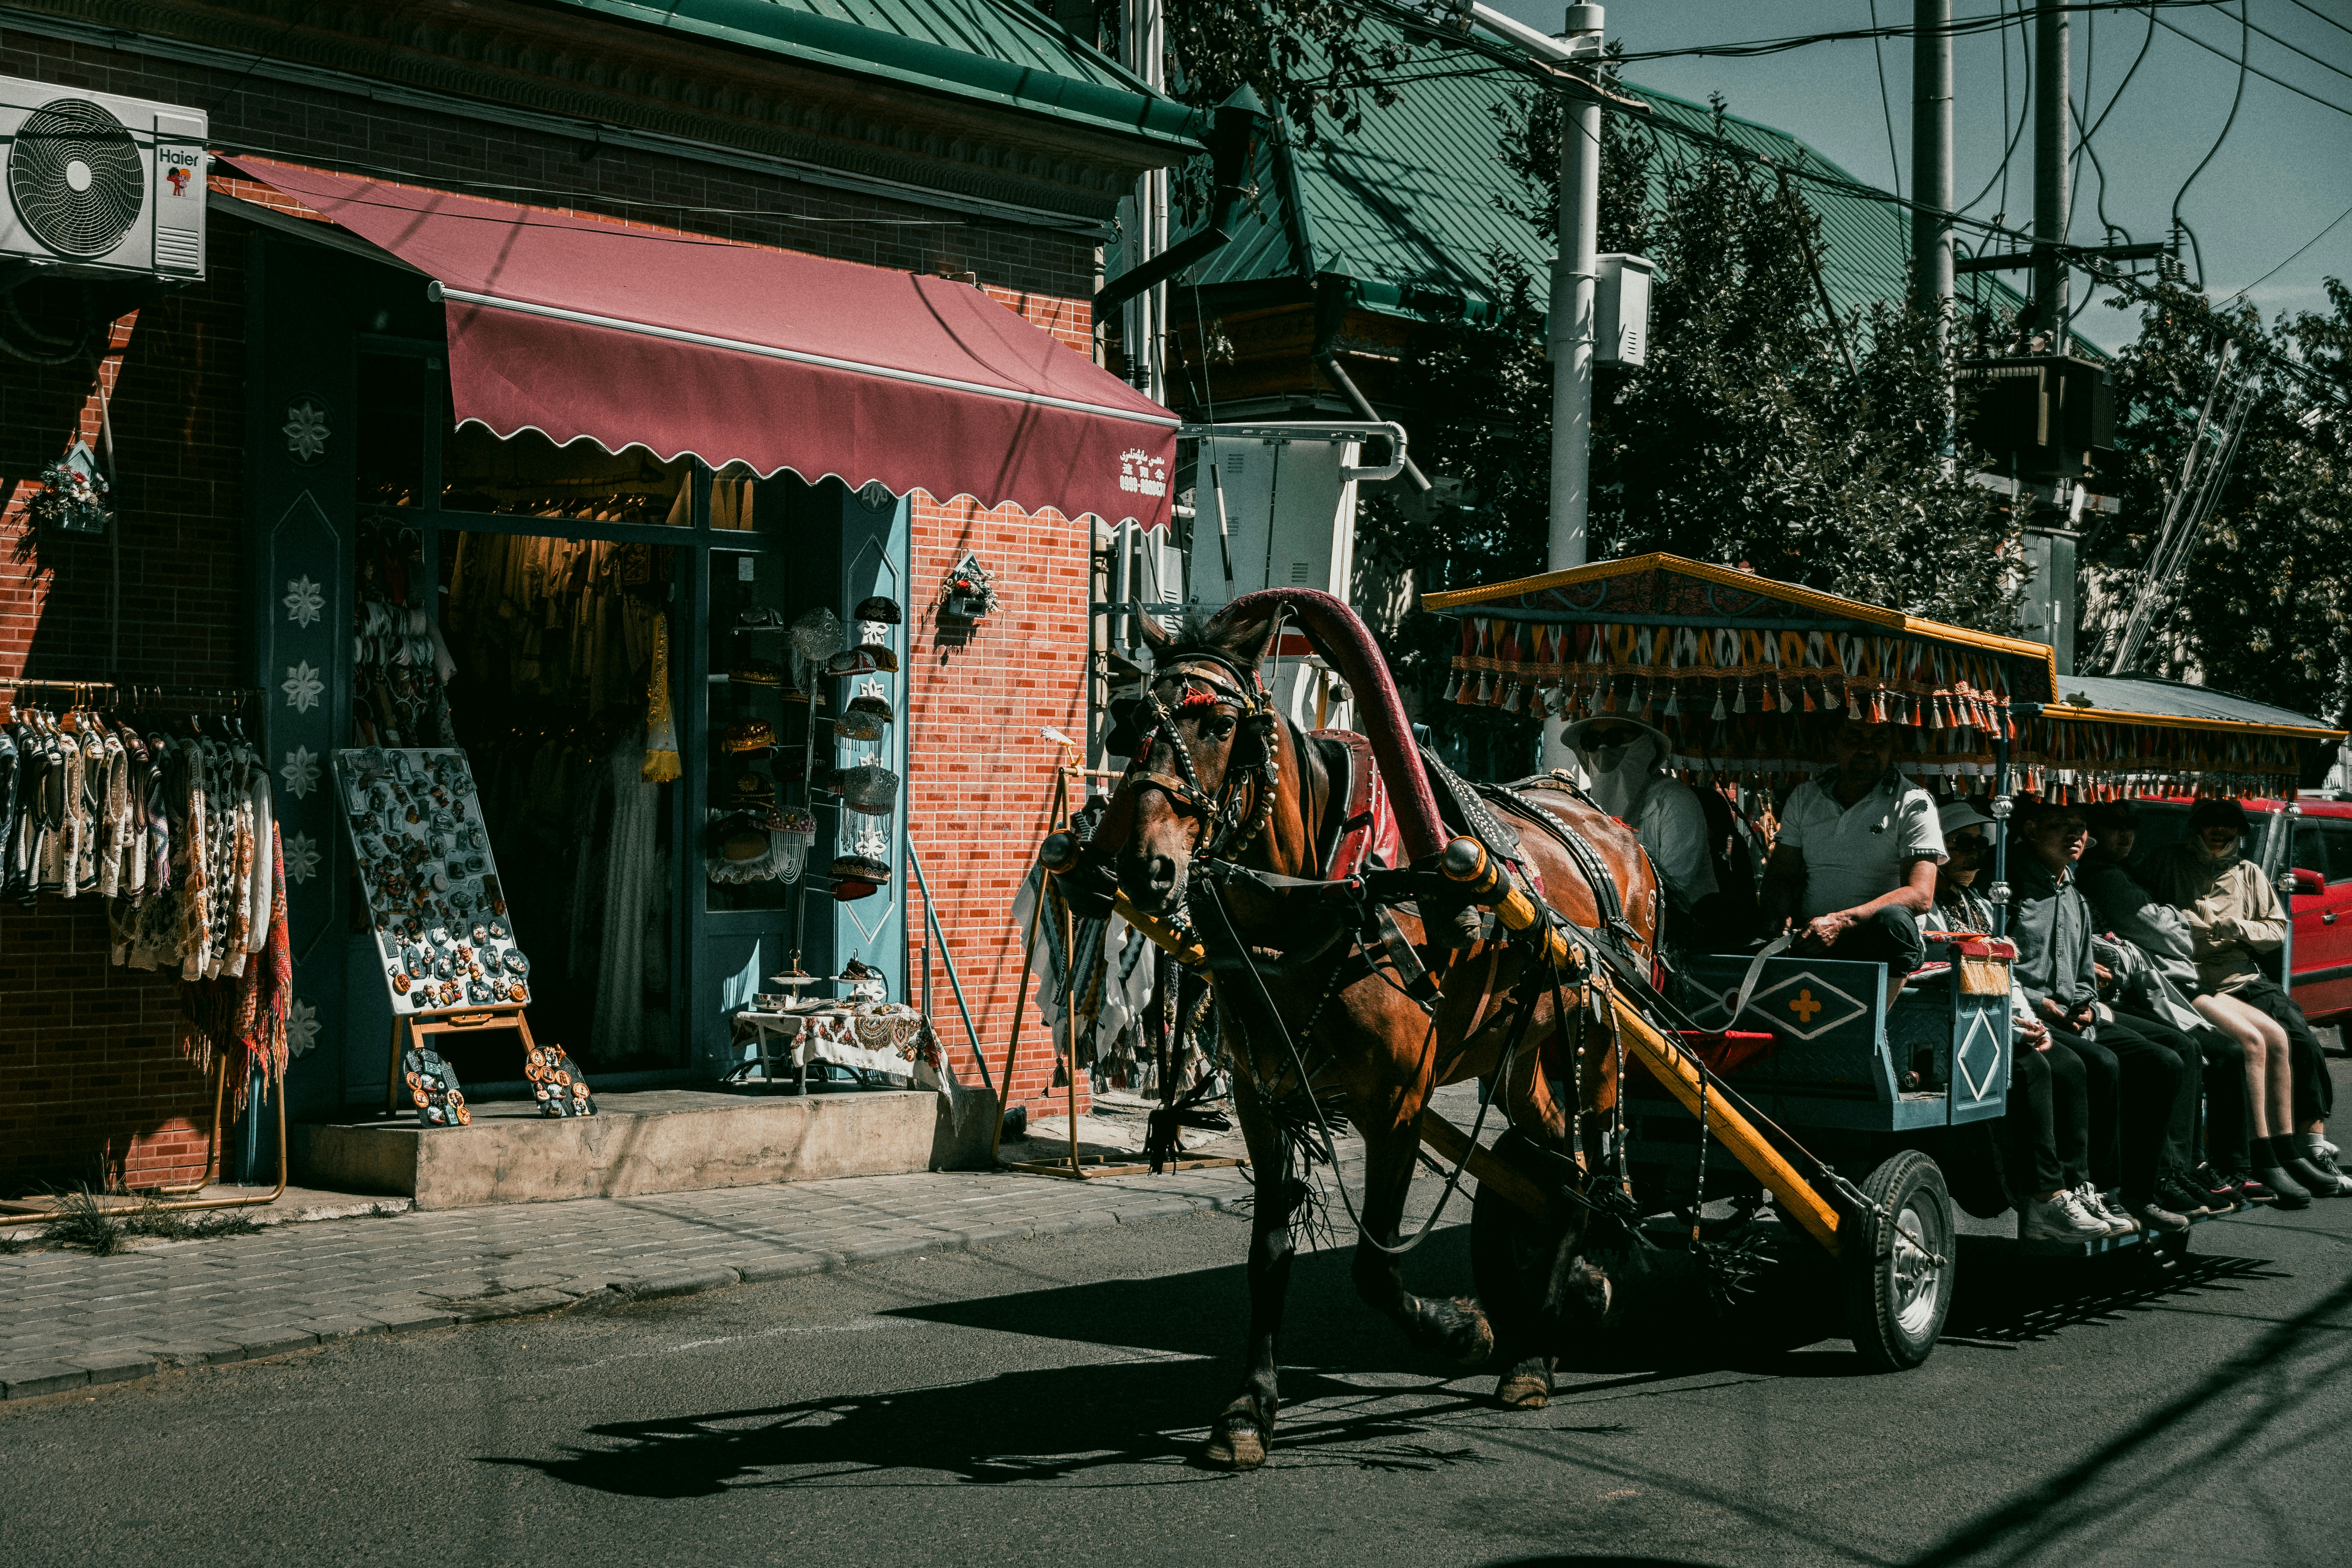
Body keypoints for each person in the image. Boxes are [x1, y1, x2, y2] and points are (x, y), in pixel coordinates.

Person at [2144, 798, 2349, 1202]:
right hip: (2193, 979)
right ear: (2196, 828)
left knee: (2296, 1036)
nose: (2219, 832)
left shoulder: (2250, 873)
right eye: (2211, 824)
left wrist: (2233, 927)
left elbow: (2275, 930)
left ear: (2240, 833)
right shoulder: (2165, 863)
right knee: (2252, 1043)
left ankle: (2302, 1145)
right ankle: (2263, 1155)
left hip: (2243, 975)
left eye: (2228, 826)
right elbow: (2150, 916)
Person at [2008, 798, 2190, 1234]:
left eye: (2080, 827)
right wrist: (2039, 1003)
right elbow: (2001, 965)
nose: (2075, 835)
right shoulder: (2011, 888)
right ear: (2031, 831)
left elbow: (2084, 965)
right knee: (2101, 1066)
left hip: (2074, 1012)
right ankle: (2086, 1186)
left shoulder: (2072, 889)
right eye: (2059, 826)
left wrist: (2086, 1001)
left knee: (2166, 1060)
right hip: (2029, 1015)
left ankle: (2138, 1193)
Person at [1930, 799, 2105, 1240]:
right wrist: (2014, 1026)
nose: (1975, 854)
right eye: (1962, 844)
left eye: (1979, 845)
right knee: (2032, 1070)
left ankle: (2073, 1187)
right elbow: (1942, 979)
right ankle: (2043, 1198)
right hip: (1948, 1022)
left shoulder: (1977, 904)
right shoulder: (1926, 907)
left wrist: (2029, 1021)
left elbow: (2005, 976)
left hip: (1996, 1018)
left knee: (2070, 1065)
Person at [2078, 800, 2251, 1216]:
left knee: (2258, 1042)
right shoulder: (2099, 875)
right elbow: (2168, 934)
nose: (2124, 834)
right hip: (2129, 992)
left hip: (2166, 983)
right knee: (2189, 1053)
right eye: (2112, 825)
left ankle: (2218, 1165)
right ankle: (2169, 1173)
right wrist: (2174, 921)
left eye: (2131, 825)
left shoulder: (2110, 874)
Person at [1758, 719, 1945, 1001]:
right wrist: (1778, 918)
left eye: (1878, 740)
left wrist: (1841, 923)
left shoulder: (1914, 802)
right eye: (1854, 738)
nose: (1867, 750)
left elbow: (1920, 896)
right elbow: (1782, 874)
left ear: (1891, 746)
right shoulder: (1805, 797)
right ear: (1834, 742)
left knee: (1894, 920)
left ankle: (1875, 1021)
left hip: (1877, 942)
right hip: (1812, 934)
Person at [1561, 715, 1728, 930]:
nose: (1603, 748)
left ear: (1645, 744)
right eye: (1592, 740)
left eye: (1616, 737)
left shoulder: (1675, 802)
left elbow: (1672, 889)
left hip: (1680, 933)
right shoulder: (1581, 807)